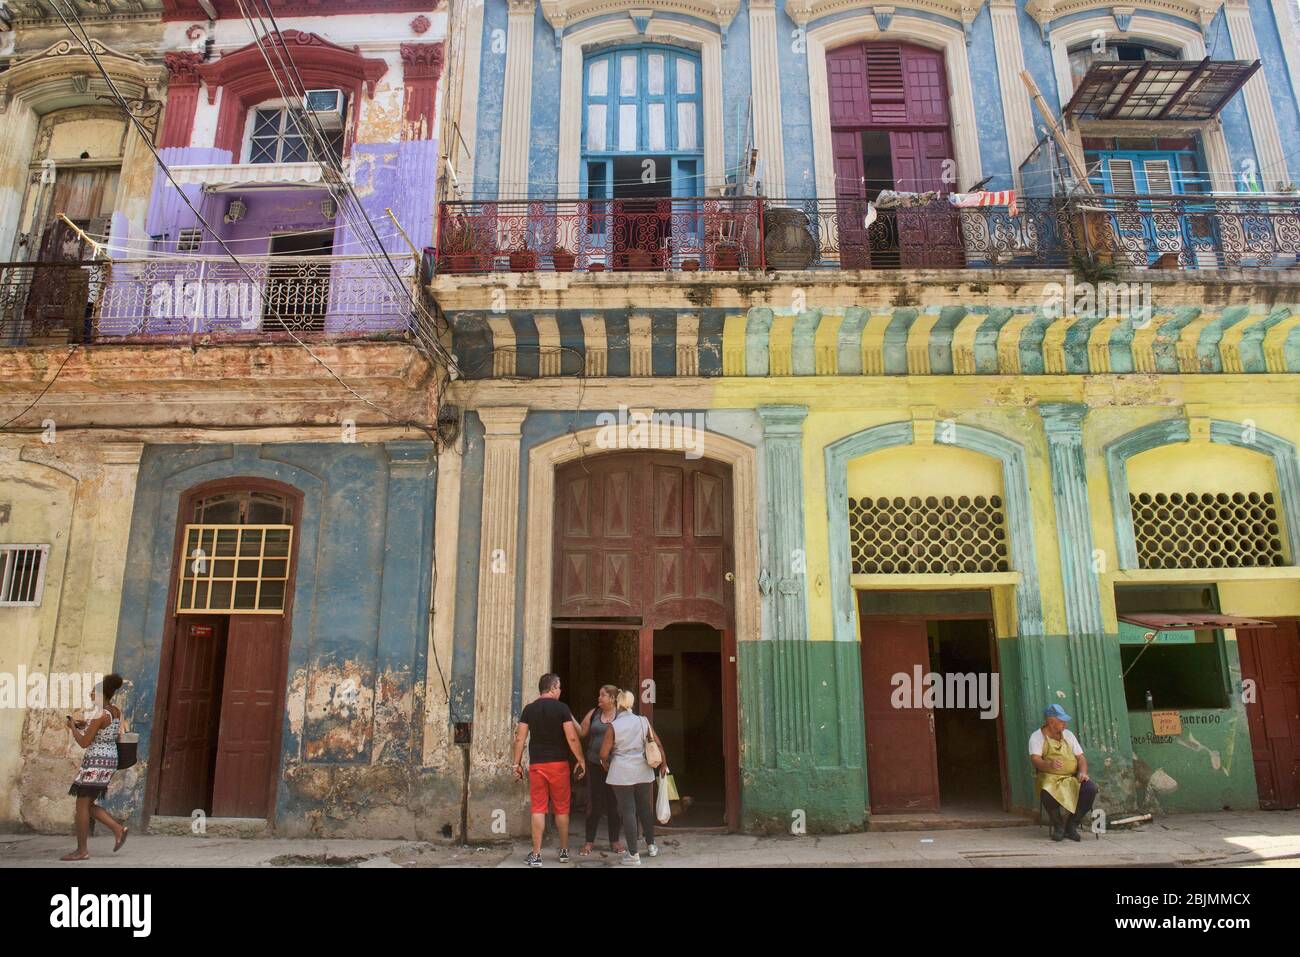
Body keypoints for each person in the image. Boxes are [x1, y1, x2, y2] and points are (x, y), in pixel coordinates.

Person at [512, 673, 586, 866]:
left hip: (537, 765)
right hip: (559, 765)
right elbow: (571, 737)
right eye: (559, 687)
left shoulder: (529, 709)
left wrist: (516, 763)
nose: (560, 690)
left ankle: (536, 855)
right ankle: (563, 852)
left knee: (538, 808)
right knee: (561, 809)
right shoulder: (562, 709)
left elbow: (520, 738)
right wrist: (581, 760)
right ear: (552, 688)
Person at [62, 674, 129, 861]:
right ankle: (118, 829)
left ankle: (81, 851)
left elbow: (84, 742)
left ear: (101, 694)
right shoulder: (115, 711)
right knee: (88, 805)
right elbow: (106, 732)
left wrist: (72, 727)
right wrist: (85, 725)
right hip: (109, 760)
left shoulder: (99, 714)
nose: (91, 695)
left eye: (93, 692)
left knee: (81, 806)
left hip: (96, 762)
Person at [600, 690, 668, 866]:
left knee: (628, 810)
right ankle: (651, 845)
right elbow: (657, 743)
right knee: (644, 808)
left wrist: (606, 763)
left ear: (618, 705)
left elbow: (603, 753)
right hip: (643, 771)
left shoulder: (613, 726)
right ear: (631, 704)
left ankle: (633, 854)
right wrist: (663, 764)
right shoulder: (642, 721)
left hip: (622, 773)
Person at [1029, 704, 1098, 842]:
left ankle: (1072, 824)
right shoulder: (1037, 737)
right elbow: (1035, 760)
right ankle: (1058, 826)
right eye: (1061, 721)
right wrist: (1049, 764)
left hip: (1071, 777)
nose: (1065, 724)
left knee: (1090, 788)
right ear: (1051, 722)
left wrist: (1083, 772)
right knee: (1046, 790)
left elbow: (1081, 758)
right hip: (1049, 776)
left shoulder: (1069, 735)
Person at [577, 684, 624, 856]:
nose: (599, 698)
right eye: (599, 695)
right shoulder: (595, 713)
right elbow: (582, 732)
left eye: (602, 695)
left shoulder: (621, 715)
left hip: (614, 766)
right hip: (594, 764)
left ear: (612, 698)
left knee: (613, 804)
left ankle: (615, 841)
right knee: (594, 804)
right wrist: (567, 717)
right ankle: (589, 842)